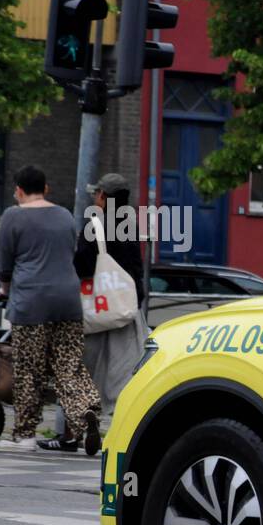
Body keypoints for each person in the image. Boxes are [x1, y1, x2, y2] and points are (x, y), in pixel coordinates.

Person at [0, 165, 102, 455]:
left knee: (29, 370)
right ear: (46, 188)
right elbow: (70, 252)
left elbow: (5, 264)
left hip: (31, 302)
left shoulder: (13, 216)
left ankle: (25, 435)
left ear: (18, 189)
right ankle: (85, 412)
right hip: (68, 300)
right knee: (69, 366)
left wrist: (5, 289)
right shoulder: (65, 215)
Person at [73, 172, 148, 414]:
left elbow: (81, 267)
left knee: (86, 369)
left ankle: (77, 426)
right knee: (123, 373)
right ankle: (120, 425)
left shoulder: (94, 225)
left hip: (96, 310)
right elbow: (137, 270)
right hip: (125, 309)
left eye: (97, 193)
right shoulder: (131, 226)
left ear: (103, 196)